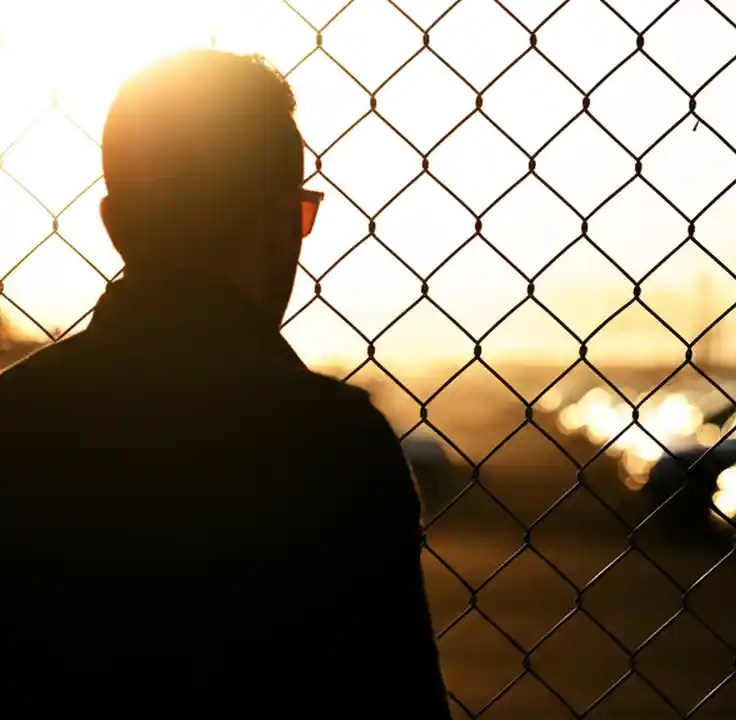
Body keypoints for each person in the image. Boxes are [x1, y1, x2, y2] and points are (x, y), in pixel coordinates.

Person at [0, 50, 450, 716]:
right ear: (278, 227)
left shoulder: (16, 422)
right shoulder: (334, 448)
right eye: (301, 213)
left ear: (114, 226)